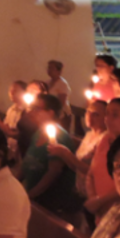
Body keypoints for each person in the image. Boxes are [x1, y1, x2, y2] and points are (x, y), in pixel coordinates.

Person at [20, 93, 83, 224]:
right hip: (32, 194)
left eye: (37, 108)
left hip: (49, 201)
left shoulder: (59, 137)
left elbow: (53, 173)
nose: (33, 111)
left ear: (50, 113)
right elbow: (27, 162)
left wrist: (30, 196)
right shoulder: (38, 132)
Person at [85, 97, 120, 219]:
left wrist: (100, 201)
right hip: (99, 209)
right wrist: (94, 199)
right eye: (107, 114)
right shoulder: (104, 139)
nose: (108, 119)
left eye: (115, 115)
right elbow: (91, 173)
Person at [46, 60, 73, 133]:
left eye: (52, 68)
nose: (49, 70)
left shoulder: (62, 84)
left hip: (61, 115)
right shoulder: (48, 82)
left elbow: (61, 102)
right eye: (48, 68)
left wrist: (55, 113)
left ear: (59, 71)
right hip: (50, 113)